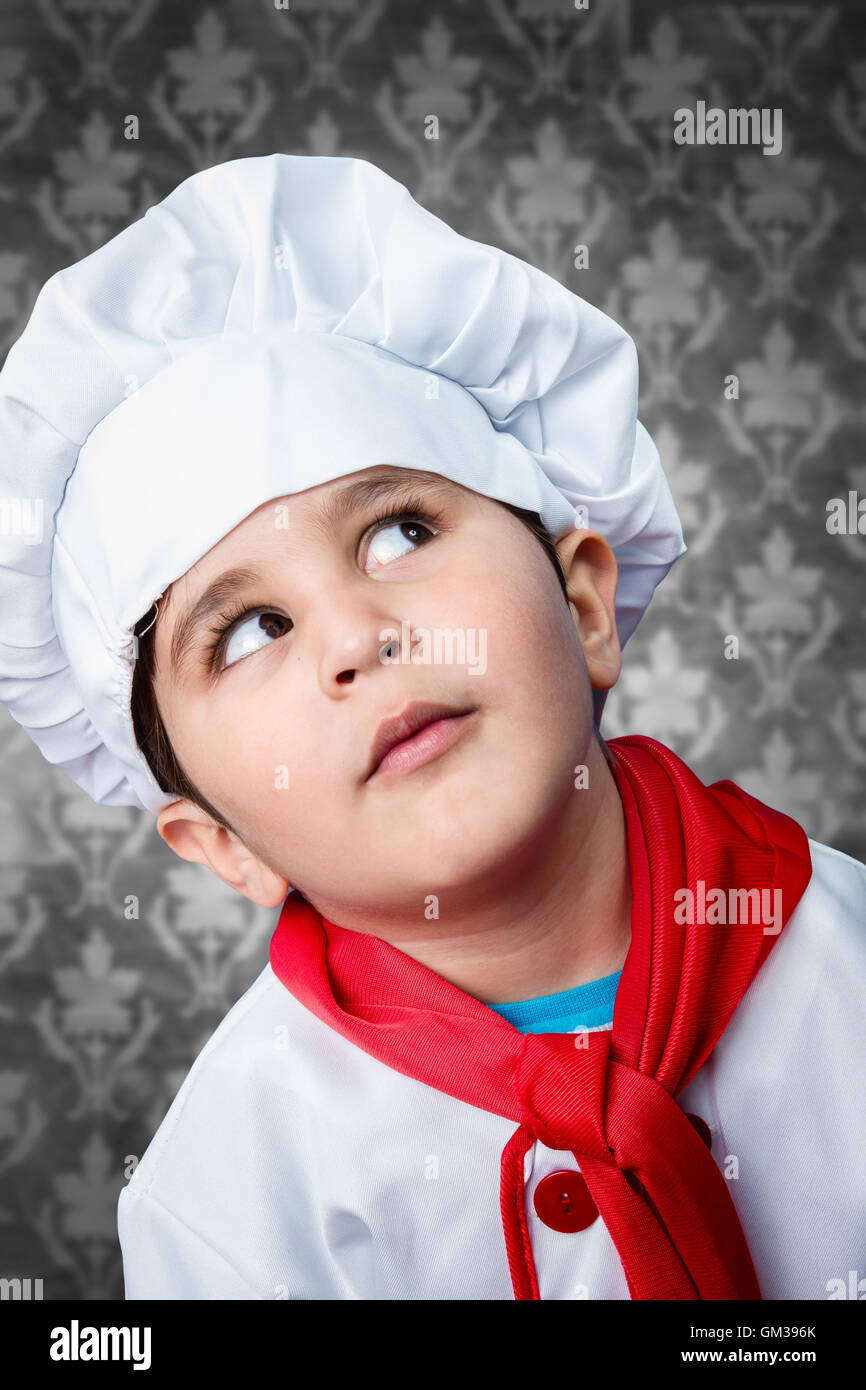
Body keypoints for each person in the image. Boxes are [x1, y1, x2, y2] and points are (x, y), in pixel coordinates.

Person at [0, 154, 862, 1301]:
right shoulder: (226, 1206)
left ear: (585, 603)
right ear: (224, 844)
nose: (355, 637)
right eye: (250, 630)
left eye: (399, 534)